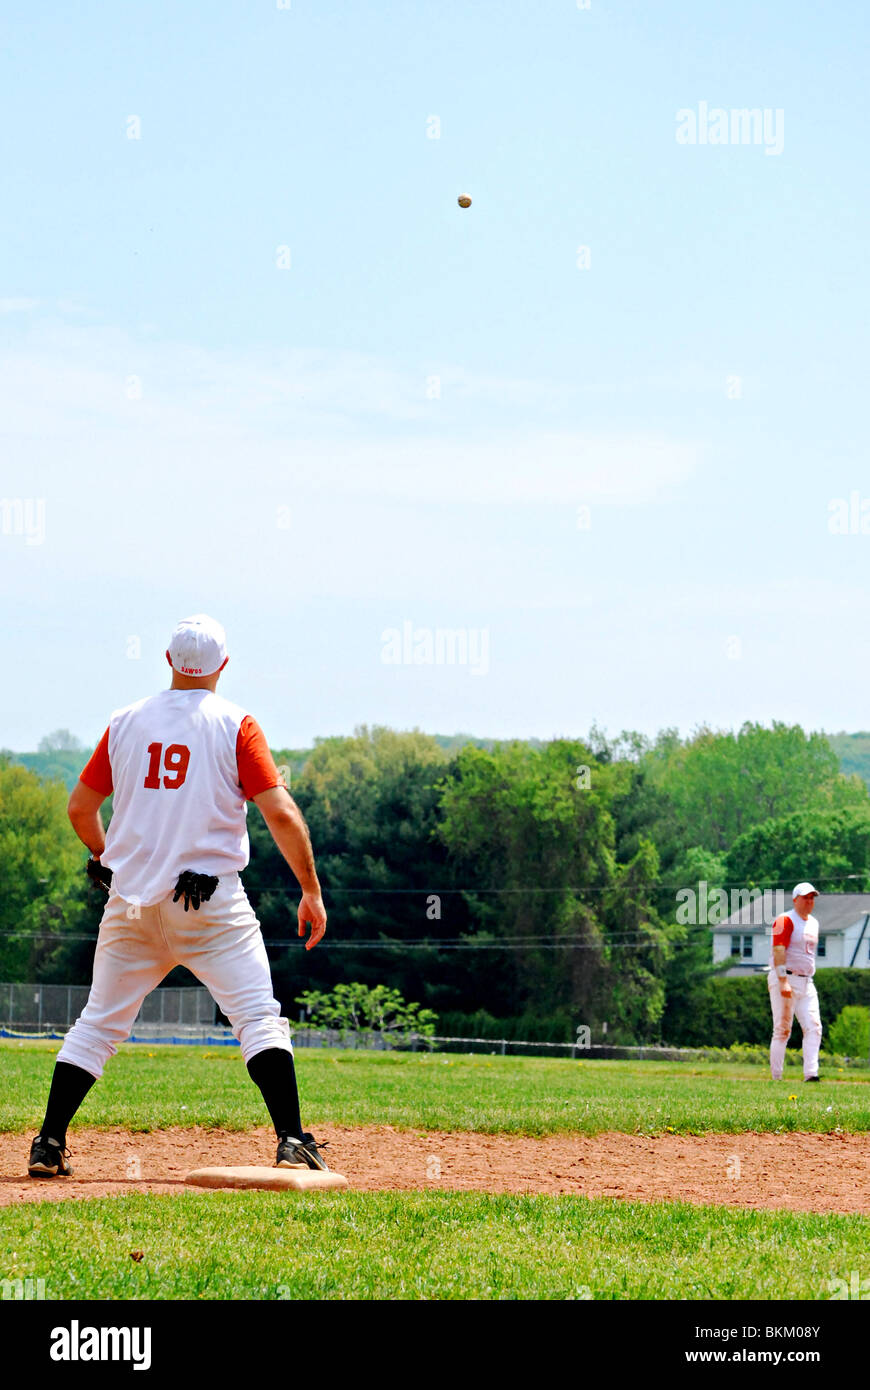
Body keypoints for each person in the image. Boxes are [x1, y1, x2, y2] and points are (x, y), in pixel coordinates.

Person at [27, 614, 329, 1178]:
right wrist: (310, 890)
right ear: (223, 665)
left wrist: (109, 863)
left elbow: (80, 808)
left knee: (97, 1025)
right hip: (209, 904)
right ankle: (291, 1139)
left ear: (168, 660)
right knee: (258, 1018)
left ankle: (47, 1142)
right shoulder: (236, 723)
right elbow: (282, 814)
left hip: (132, 905)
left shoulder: (125, 721)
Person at [768, 881, 823, 1083]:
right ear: (795, 899)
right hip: (786, 977)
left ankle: (811, 1074)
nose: (809, 901)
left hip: (807, 981)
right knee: (783, 1029)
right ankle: (777, 1077)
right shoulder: (785, 920)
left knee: (814, 1026)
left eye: (812, 898)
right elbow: (779, 950)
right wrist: (782, 980)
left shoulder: (814, 923)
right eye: (805, 897)